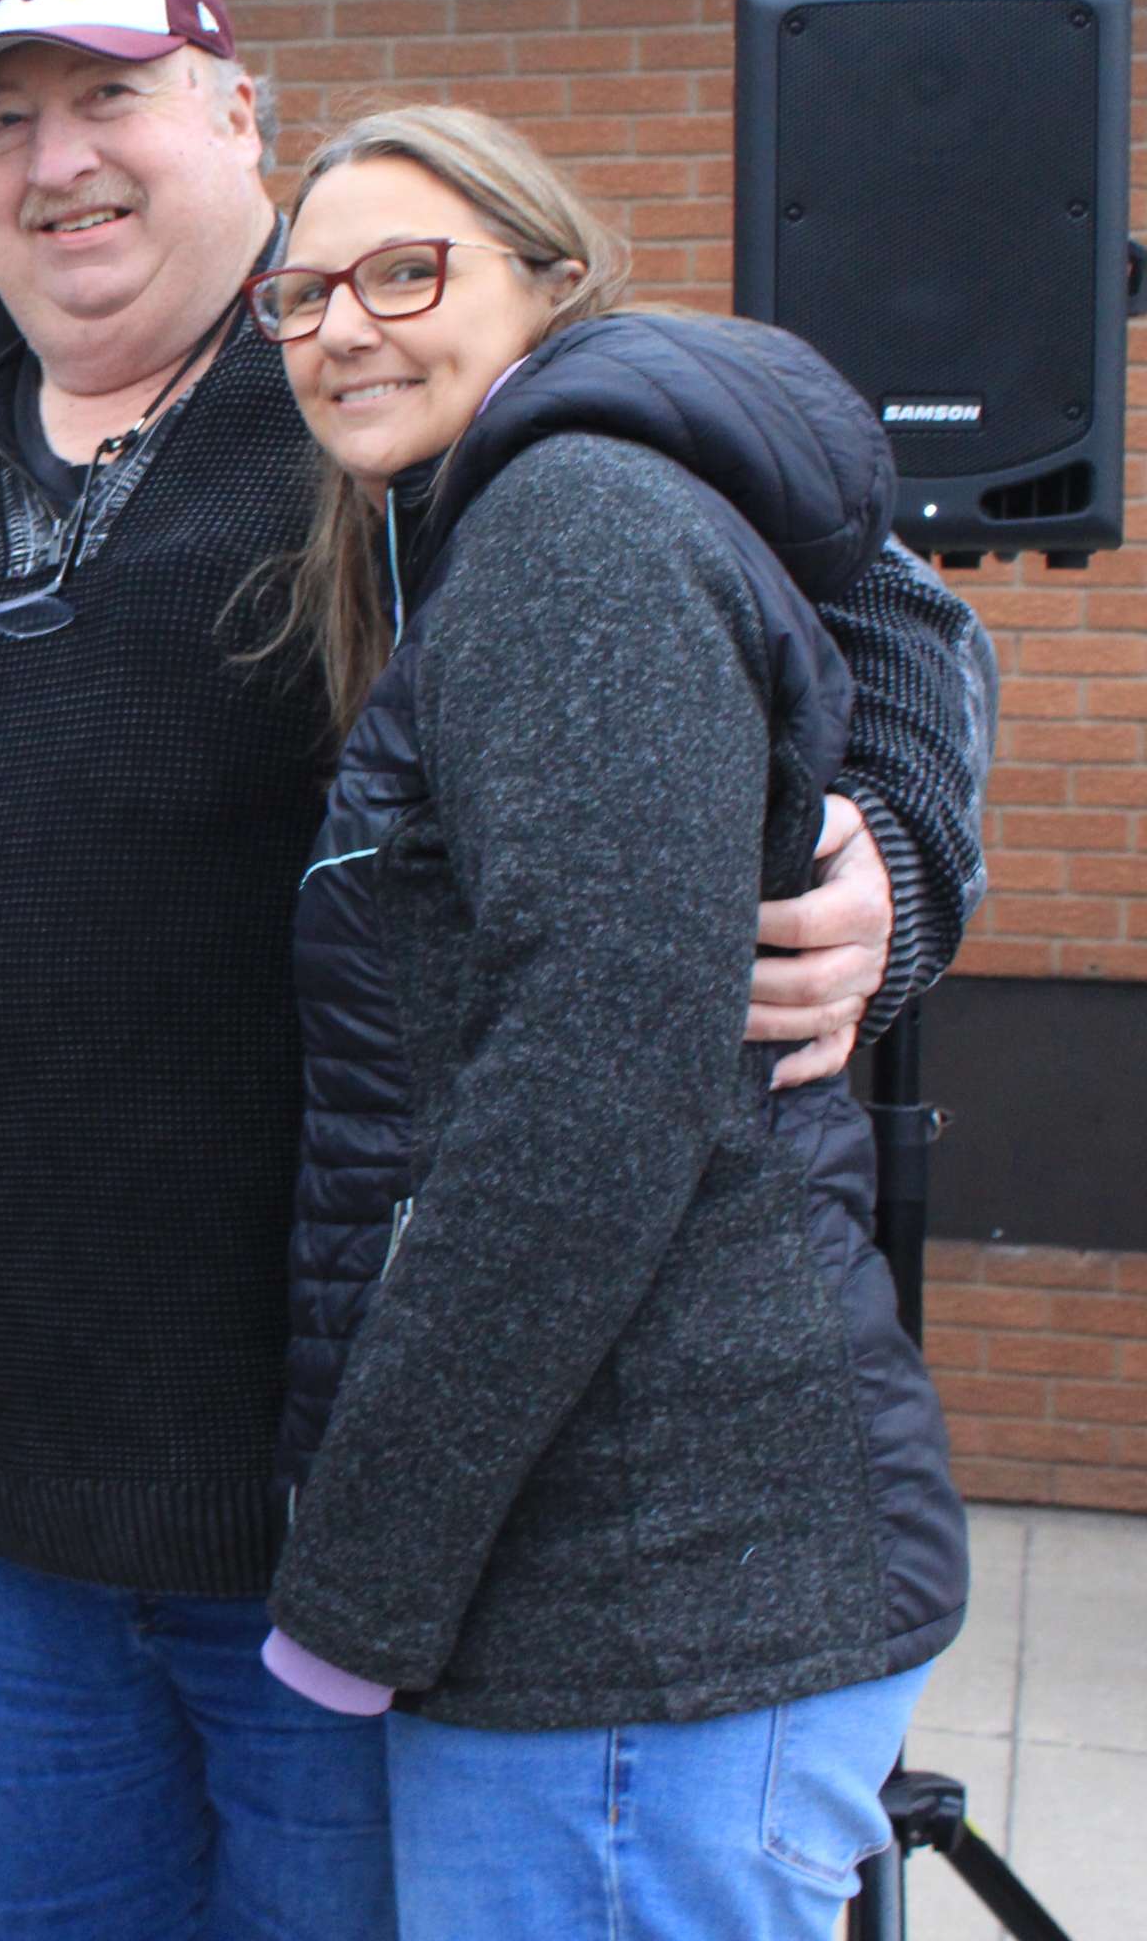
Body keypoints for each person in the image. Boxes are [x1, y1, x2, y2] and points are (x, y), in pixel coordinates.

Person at [0, 0, 994, 1937]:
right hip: (4, 1528)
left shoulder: (397, 394)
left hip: (339, 1530)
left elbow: (880, 608)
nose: (57, 160)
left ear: (240, 111)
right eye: (4, 123)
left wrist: (896, 857)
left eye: (109, 99)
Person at [250, 106, 963, 1934]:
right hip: (627, 1595)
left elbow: (582, 1106)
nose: (345, 326)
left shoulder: (574, 531)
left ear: (556, 286)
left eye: (409, 272)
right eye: (303, 292)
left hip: (649, 1609)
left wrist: (360, 1586)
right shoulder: (521, 523)